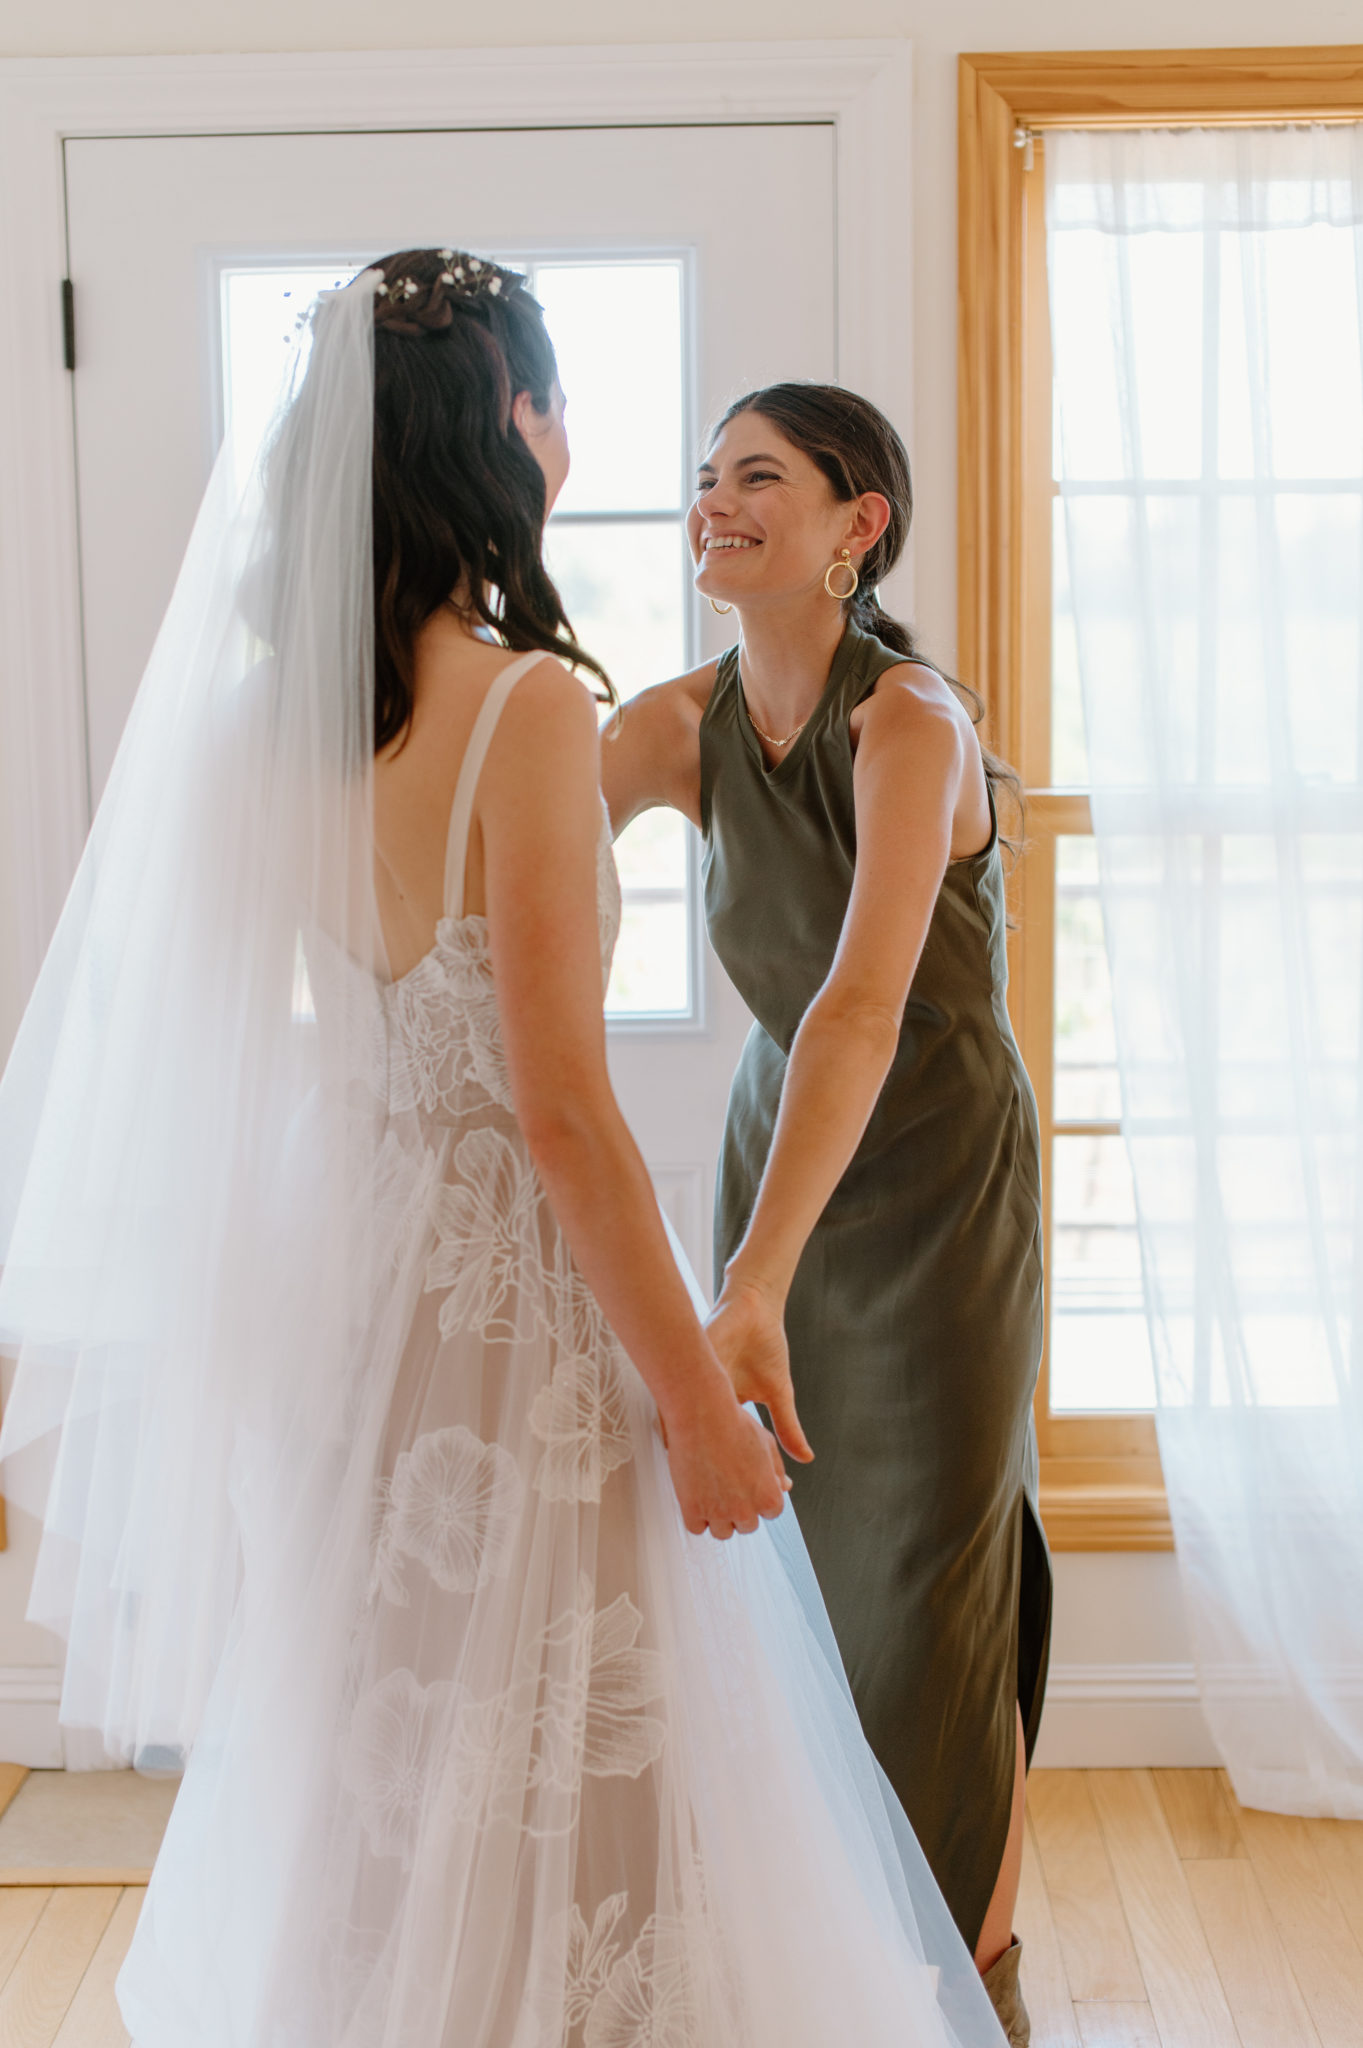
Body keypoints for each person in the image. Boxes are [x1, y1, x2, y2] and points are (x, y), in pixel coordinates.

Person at [0, 255, 1005, 2046]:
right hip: (527, 1295)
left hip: (364, 1278)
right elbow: (556, 1109)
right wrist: (696, 1395)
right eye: (551, 400)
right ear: (495, 431)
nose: (574, 437)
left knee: (388, 1709)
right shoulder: (528, 704)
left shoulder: (270, 719)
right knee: (588, 1724)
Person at [600, 382, 1052, 2045]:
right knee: (780, 1595)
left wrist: (752, 1284)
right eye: (706, 477)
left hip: (929, 1191)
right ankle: (804, 1983)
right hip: (772, 1154)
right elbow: (508, 876)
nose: (716, 500)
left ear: (859, 526)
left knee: (927, 1596)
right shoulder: (673, 724)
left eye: (760, 477)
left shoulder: (912, 722)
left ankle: (962, 1997)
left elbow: (863, 1012)